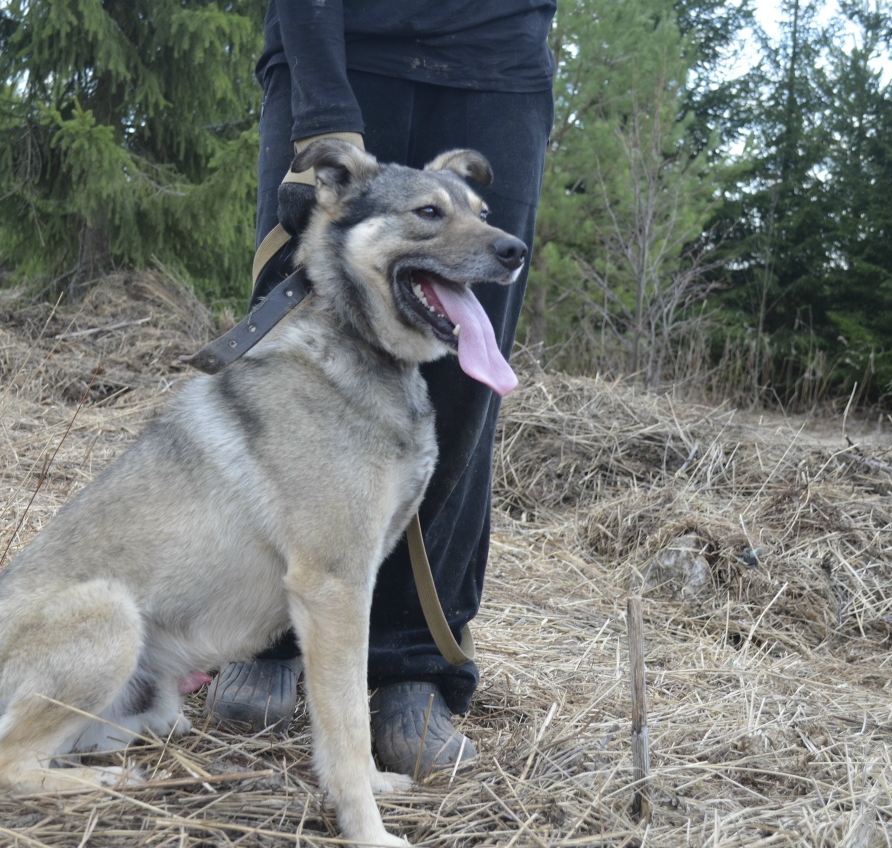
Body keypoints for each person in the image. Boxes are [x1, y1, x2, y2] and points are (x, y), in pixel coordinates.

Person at [206, 0, 557, 778]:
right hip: (338, 54)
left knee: (465, 384)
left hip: (496, 69)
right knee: (288, 356)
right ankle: (262, 636)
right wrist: (321, 111)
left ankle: (411, 667)